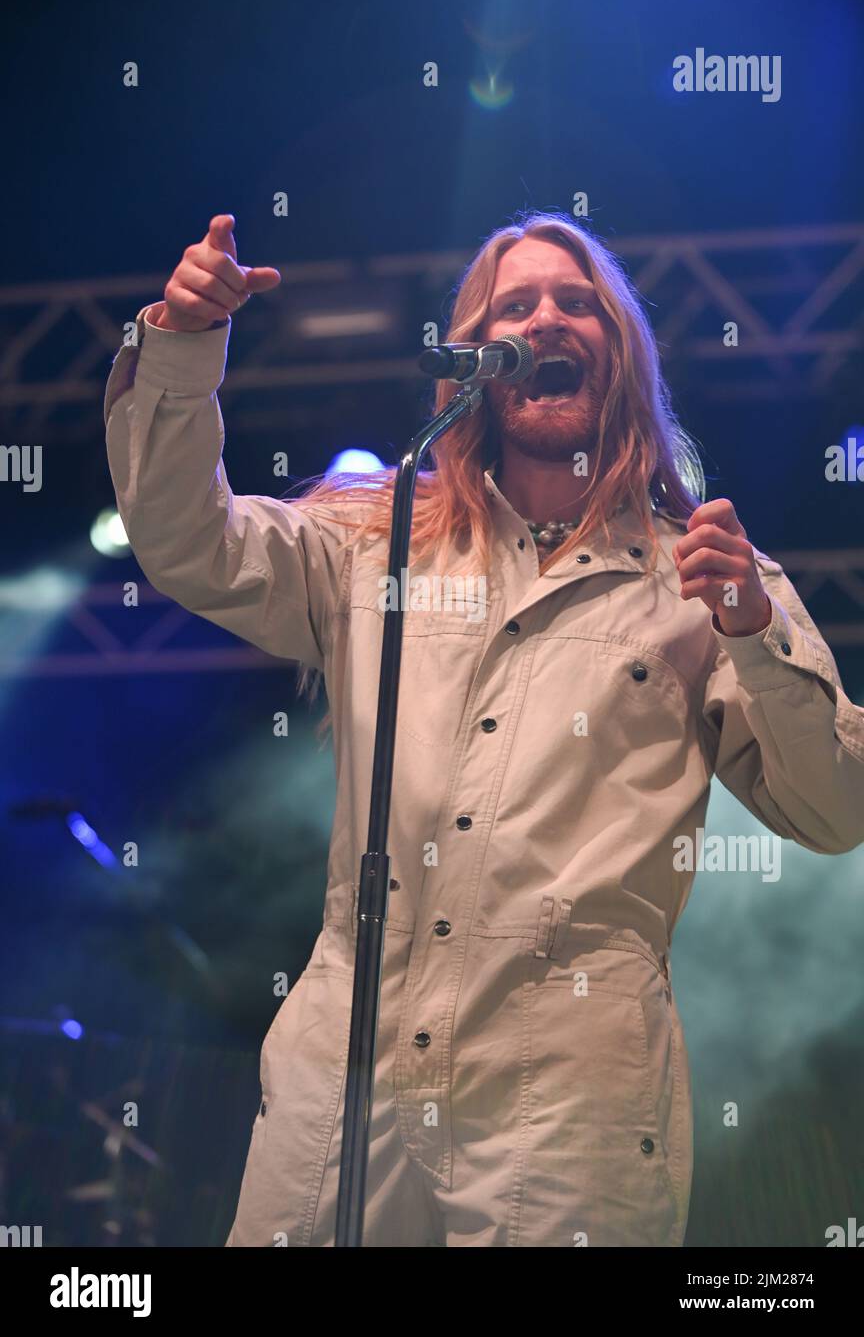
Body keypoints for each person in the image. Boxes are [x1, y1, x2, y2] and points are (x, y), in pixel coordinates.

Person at [104, 210, 864, 1247]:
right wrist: (182, 347)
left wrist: (750, 631)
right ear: (473, 363)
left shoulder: (704, 582)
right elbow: (185, 540)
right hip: (349, 1066)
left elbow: (837, 810)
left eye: (575, 301)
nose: (545, 317)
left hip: (567, 1098)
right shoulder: (374, 540)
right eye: (515, 306)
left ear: (624, 356)